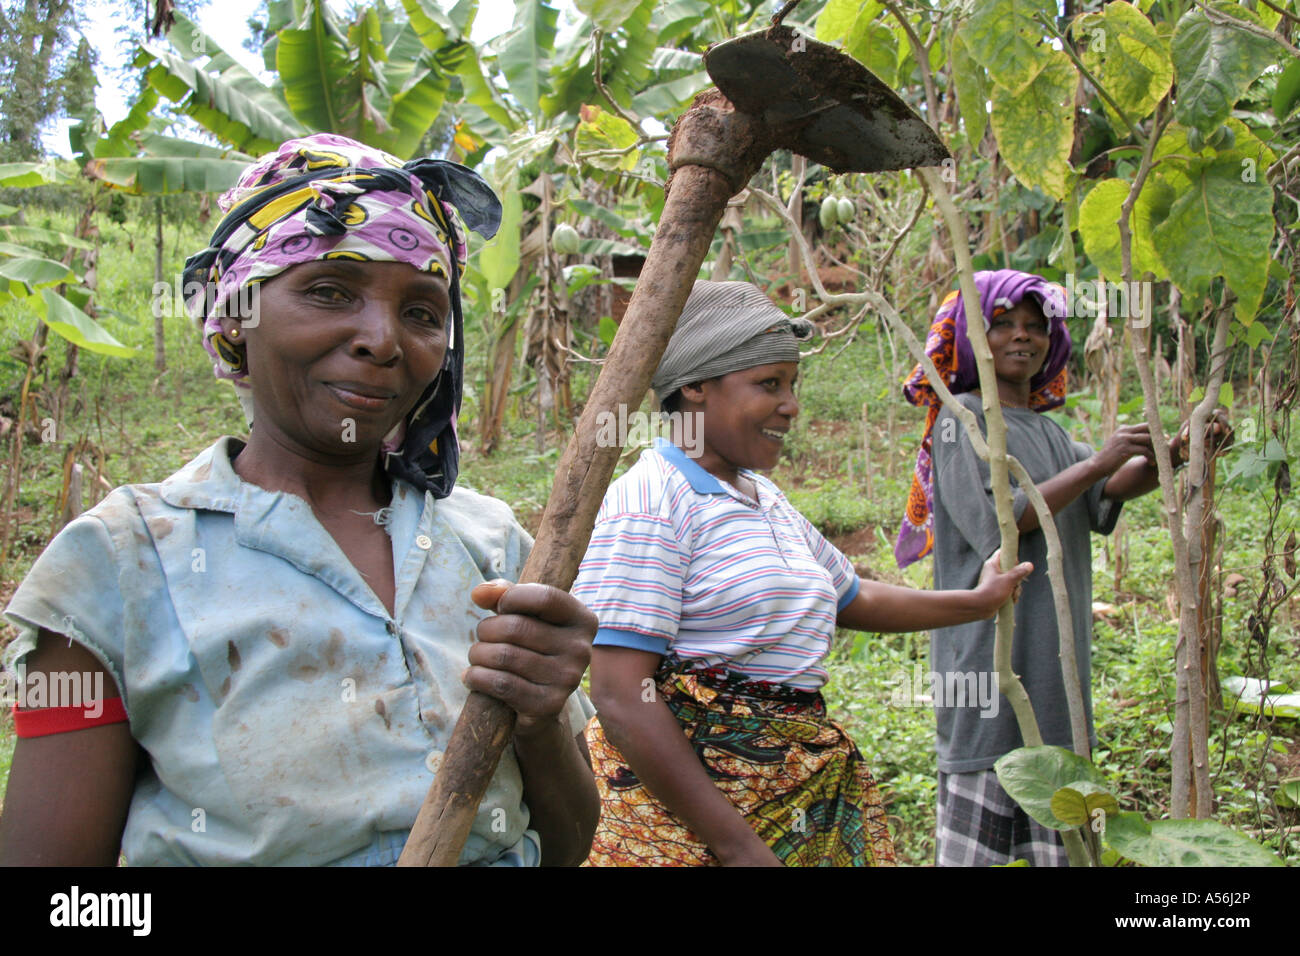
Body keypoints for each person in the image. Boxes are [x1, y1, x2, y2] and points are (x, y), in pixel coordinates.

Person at [0, 134, 599, 867]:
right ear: (236, 317)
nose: (382, 340)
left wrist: (538, 720)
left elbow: (567, 846)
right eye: (328, 292)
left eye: (421, 312)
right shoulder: (116, 563)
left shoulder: (493, 545)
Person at [572, 279, 1034, 867]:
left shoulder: (761, 497)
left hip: (794, 787)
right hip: (694, 815)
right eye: (769, 384)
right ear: (693, 386)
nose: (791, 405)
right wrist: (737, 847)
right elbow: (619, 694)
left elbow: (855, 597)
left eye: (793, 385)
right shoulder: (651, 499)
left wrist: (977, 602)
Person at [895, 268, 1226, 867]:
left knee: (1067, 835)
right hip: (988, 674)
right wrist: (1099, 460)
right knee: (980, 829)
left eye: (1035, 327)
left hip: (1054, 672)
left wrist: (1177, 454)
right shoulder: (960, 422)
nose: (1023, 337)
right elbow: (1012, 517)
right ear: (974, 338)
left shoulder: (1049, 430)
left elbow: (1107, 492)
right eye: (1004, 326)